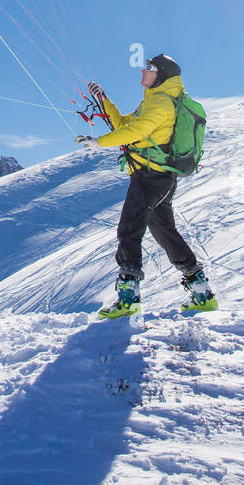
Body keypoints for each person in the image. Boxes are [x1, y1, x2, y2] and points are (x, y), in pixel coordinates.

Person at [76, 53, 217, 318]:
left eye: (149, 68)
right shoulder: (153, 102)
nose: (143, 71)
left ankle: (128, 298)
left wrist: (98, 142)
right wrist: (104, 99)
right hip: (160, 177)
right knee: (164, 231)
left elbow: (134, 133)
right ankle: (202, 293)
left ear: (161, 74)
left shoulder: (161, 103)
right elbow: (123, 124)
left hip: (151, 176)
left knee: (130, 228)